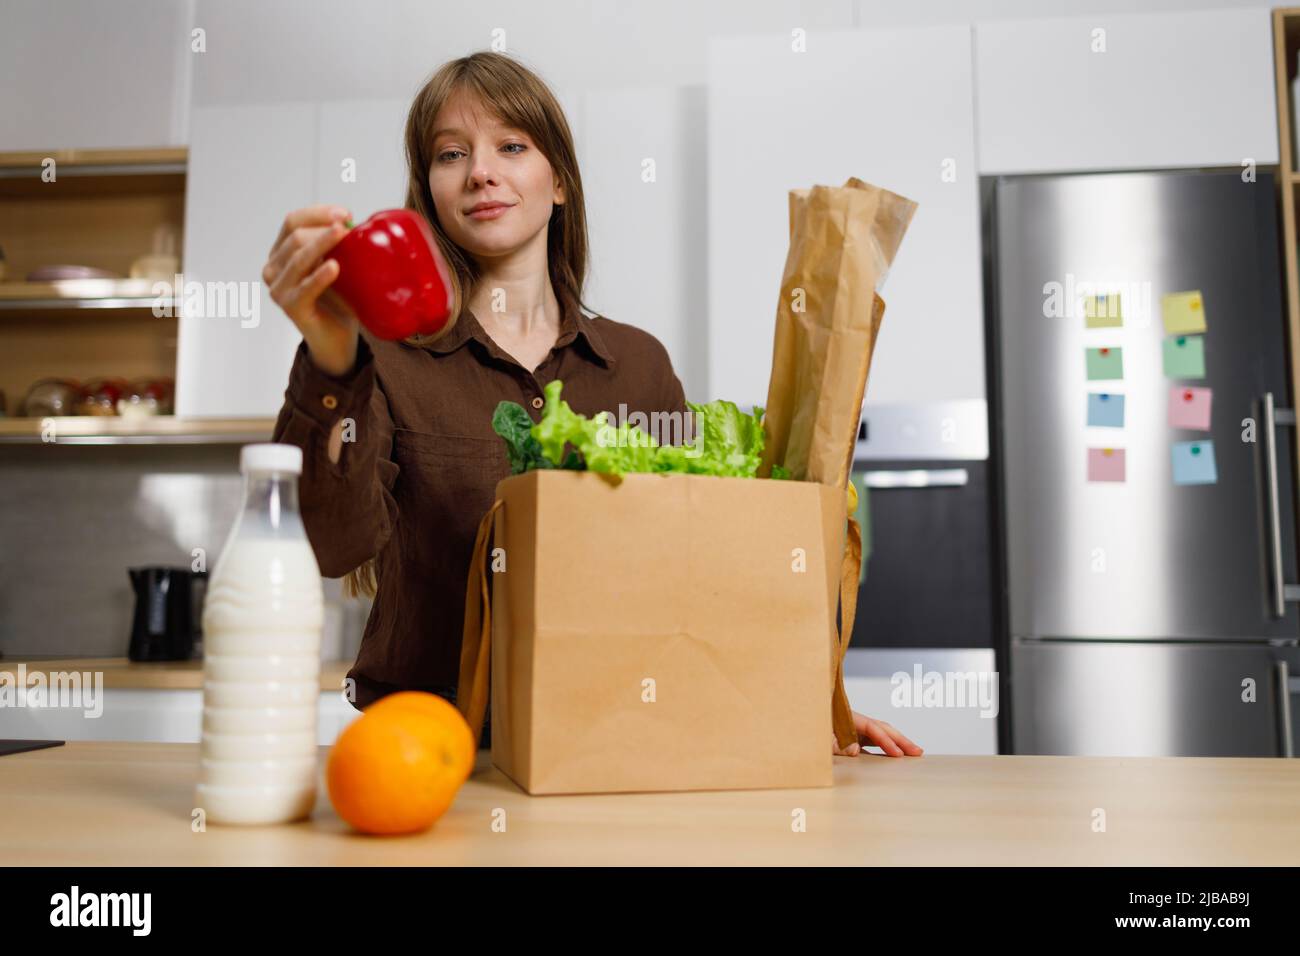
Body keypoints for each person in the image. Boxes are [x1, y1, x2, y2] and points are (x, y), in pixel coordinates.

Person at [262, 51, 921, 759]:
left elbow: (698, 583)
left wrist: (794, 700)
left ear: (561, 185)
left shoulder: (638, 365)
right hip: (432, 756)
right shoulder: (384, 365)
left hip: (611, 745)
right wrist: (332, 360)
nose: (481, 170)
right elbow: (330, 549)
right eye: (451, 154)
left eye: (511, 146)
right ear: (429, 192)